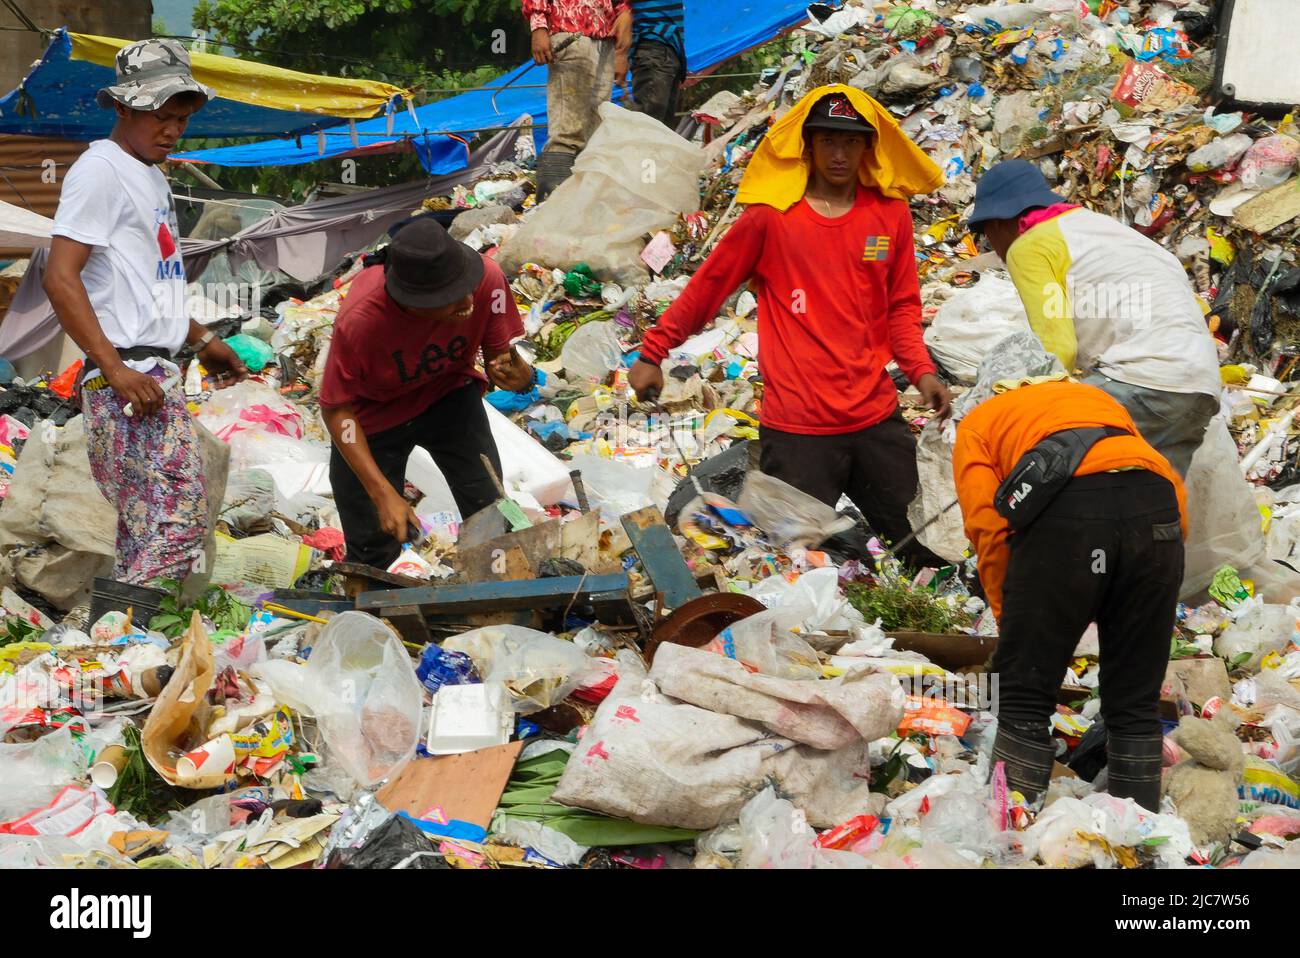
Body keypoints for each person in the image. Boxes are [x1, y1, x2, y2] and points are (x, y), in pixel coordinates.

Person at [630, 85, 952, 568]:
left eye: (850, 142)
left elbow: (901, 308)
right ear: (808, 146)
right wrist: (653, 353)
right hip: (798, 430)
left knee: (927, 554)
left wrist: (922, 372)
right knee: (797, 568)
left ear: (869, 147)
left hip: (874, 419)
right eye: (827, 141)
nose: (839, 154)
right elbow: (708, 289)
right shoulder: (770, 220)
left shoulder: (888, 216)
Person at [43, 38, 249, 586]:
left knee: (147, 528)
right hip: (126, 378)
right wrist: (113, 369)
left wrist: (203, 339)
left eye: (181, 119)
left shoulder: (152, 176)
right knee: (175, 522)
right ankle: (129, 643)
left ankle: (128, 649)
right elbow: (59, 278)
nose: (172, 130)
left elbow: (148, 283)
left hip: (155, 370)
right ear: (123, 107)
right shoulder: (100, 170)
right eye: (161, 117)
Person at [953, 375, 1187, 811]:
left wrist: (1015, 629)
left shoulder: (978, 423)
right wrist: (1146, 576)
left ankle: (1012, 831)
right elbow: (1160, 479)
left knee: (1025, 694)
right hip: (1158, 514)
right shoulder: (1095, 400)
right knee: (1135, 700)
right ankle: (1136, 832)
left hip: (1070, 514)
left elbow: (989, 529)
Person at [968, 159, 1221, 477]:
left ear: (1000, 222)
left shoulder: (1029, 245)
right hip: (1200, 385)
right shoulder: (1106, 231)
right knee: (1159, 502)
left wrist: (1005, 405)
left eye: (988, 235)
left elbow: (1057, 349)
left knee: (1054, 473)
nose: (996, 250)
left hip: (1141, 380)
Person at [318, 215, 535, 568]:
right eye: (449, 298)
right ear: (411, 303)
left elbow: (504, 360)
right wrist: (383, 492)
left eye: (466, 286)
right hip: (373, 419)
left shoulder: (487, 280)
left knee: (493, 515)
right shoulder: (362, 319)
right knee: (375, 547)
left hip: (449, 395)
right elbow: (336, 410)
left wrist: (520, 374)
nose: (467, 301)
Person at [523, 0, 630, 199]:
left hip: (604, 36)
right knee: (567, 131)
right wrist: (538, 25)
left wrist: (622, 13)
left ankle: (580, 206)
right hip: (570, 30)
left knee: (594, 133)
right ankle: (554, 204)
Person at [614, 0, 686, 128]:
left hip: (667, 47)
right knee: (649, 126)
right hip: (653, 44)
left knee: (662, 130)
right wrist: (621, 53)